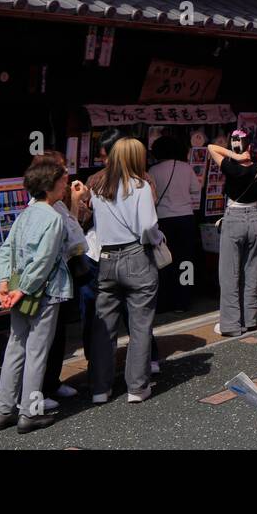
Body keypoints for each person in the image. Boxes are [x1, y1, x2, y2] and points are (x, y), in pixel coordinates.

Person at [0, 157, 73, 433]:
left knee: (15, 348)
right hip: (44, 292)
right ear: (49, 185)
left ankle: (4, 410)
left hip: (17, 290)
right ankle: (30, 412)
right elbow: (45, 260)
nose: (66, 185)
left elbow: (6, 250)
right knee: (37, 352)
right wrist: (24, 288)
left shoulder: (24, 215)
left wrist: (5, 283)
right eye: (62, 180)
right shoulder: (53, 218)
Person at [89, 137, 163, 404]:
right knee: (140, 325)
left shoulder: (97, 187)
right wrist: (157, 239)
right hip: (136, 256)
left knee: (104, 327)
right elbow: (147, 227)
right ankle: (137, 386)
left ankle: (100, 388)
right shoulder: (140, 186)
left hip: (106, 258)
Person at [34, 151, 90, 410]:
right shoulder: (41, 208)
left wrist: (75, 202)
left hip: (59, 280)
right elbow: (73, 239)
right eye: (61, 171)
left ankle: (52, 382)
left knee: (57, 334)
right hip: (47, 283)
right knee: (44, 338)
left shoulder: (56, 204)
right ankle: (37, 391)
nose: (67, 176)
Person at [208, 130, 257, 336]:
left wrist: (235, 156)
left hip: (234, 217)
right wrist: (244, 156)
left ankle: (231, 324)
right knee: (251, 271)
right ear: (250, 146)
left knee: (229, 274)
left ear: (234, 147)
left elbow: (211, 147)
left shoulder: (230, 166)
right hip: (254, 217)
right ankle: (249, 319)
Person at [149, 136, 201, 313]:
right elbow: (196, 189)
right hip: (185, 218)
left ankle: (164, 301)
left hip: (163, 219)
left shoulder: (153, 170)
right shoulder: (186, 168)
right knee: (186, 261)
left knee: (163, 260)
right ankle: (183, 301)